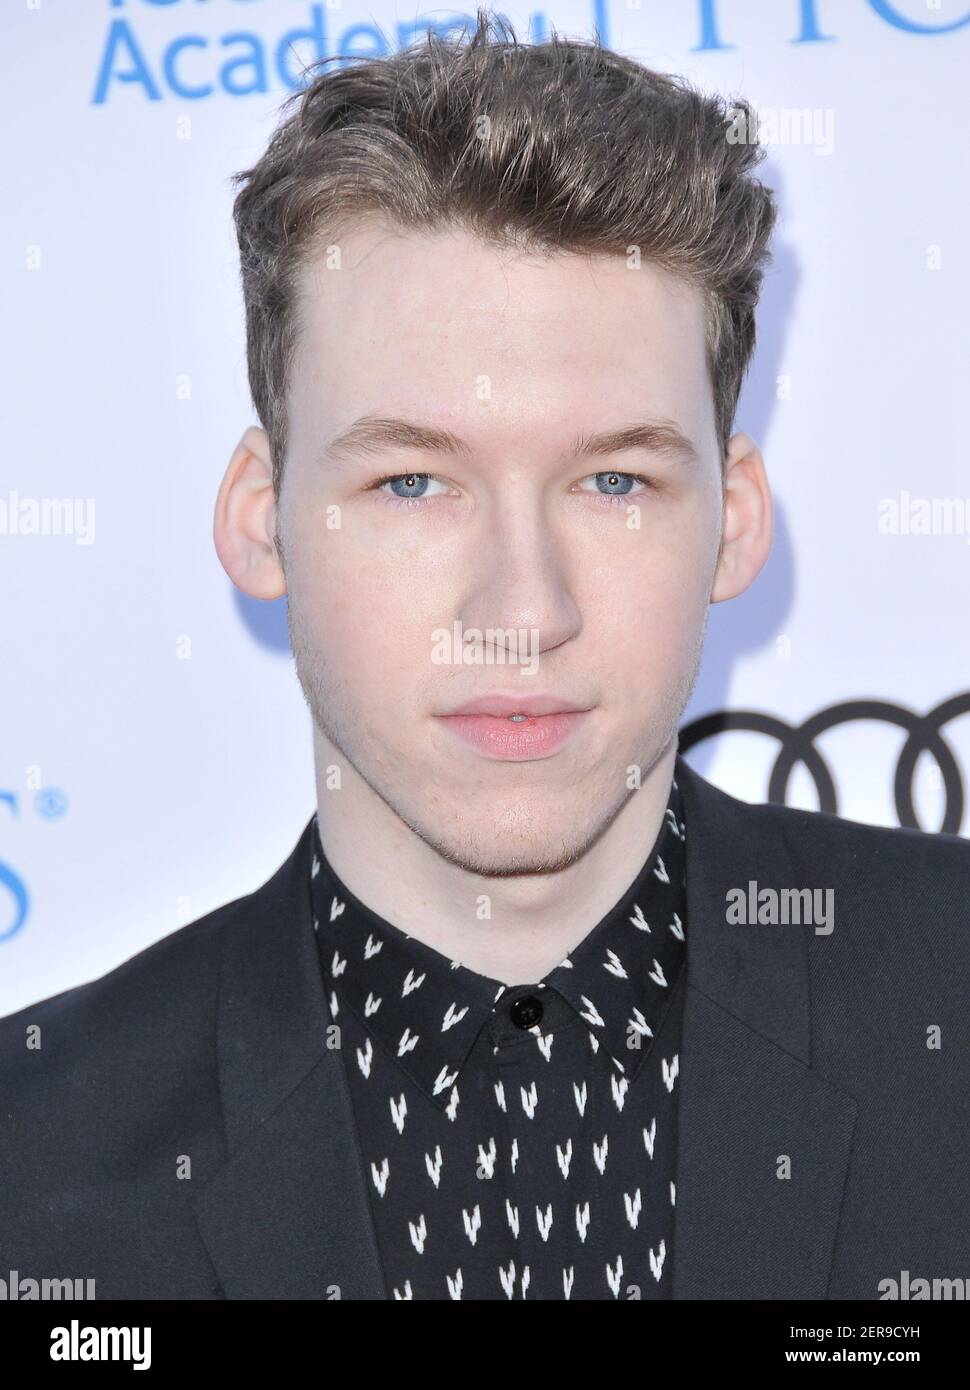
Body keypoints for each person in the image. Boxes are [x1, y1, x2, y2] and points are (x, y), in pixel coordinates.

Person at [2, 10, 968, 1302]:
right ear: (259, 517)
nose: (523, 604)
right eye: (411, 482)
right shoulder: (33, 1153)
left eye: (613, 480)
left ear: (732, 523)